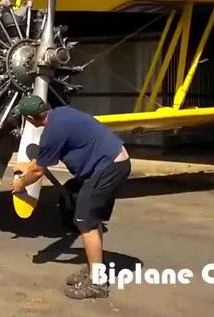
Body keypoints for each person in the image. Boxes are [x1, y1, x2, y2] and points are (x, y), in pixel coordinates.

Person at [11, 95, 131, 300]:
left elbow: (39, 171)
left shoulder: (52, 132)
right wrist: (29, 167)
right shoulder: (61, 114)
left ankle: (97, 284)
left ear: (30, 118)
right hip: (112, 162)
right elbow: (43, 160)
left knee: (86, 222)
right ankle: (96, 268)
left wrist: (20, 184)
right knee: (73, 195)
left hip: (109, 167)